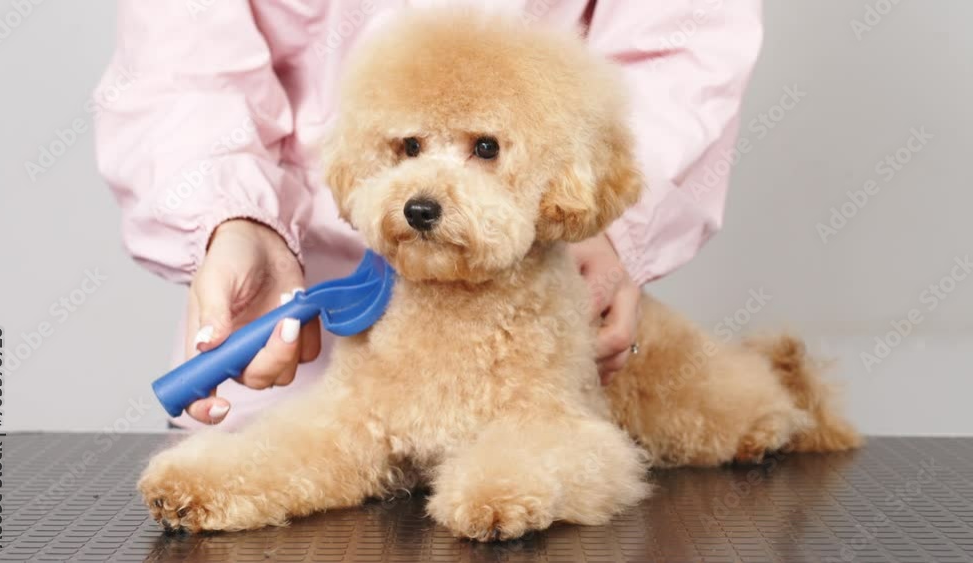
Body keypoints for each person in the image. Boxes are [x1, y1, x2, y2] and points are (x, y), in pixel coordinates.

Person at [95, 0, 762, 429]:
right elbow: (180, 59)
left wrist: (613, 229)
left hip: (537, 299)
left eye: (483, 148)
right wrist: (233, 215)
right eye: (410, 148)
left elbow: (683, 44)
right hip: (286, 327)